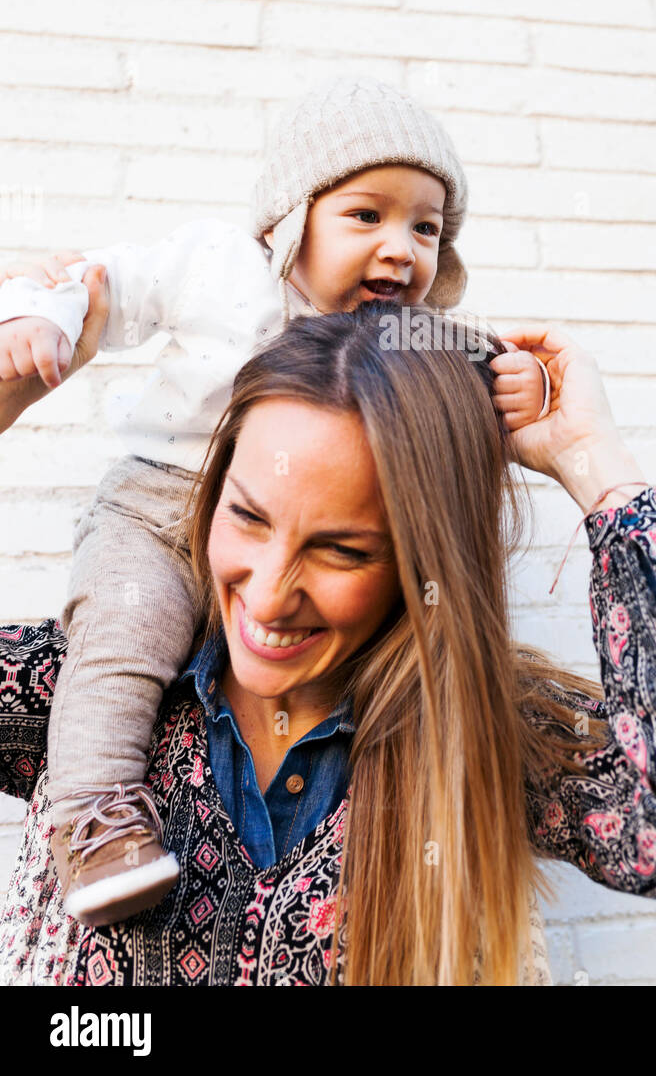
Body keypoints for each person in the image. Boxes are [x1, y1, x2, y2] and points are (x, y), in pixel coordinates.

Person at [0, 292, 656, 986]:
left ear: (422, 563)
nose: (270, 590)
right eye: (247, 517)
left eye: (341, 550)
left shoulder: (491, 735)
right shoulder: (93, 697)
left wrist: (596, 466)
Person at [0, 76, 550, 926]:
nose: (401, 248)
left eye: (426, 227)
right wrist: (44, 318)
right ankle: (94, 817)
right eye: (366, 216)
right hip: (156, 509)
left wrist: (528, 382)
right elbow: (110, 280)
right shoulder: (223, 271)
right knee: (122, 638)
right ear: (290, 220)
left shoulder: (405, 343)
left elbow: (482, 363)